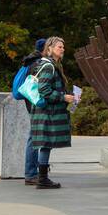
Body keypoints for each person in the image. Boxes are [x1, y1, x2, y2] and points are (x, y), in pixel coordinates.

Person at [28, 36, 76, 190]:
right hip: (47, 112)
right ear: (49, 49)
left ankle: (42, 178)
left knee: (46, 144)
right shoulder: (49, 66)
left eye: (63, 47)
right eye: (58, 47)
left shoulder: (51, 65)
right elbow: (44, 90)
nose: (62, 49)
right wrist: (63, 97)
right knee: (46, 144)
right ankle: (42, 179)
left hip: (45, 111)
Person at [20, 38, 47, 185]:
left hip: (31, 103)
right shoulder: (38, 63)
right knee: (34, 138)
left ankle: (33, 171)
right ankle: (30, 173)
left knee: (34, 138)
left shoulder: (31, 61)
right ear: (45, 49)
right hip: (36, 104)